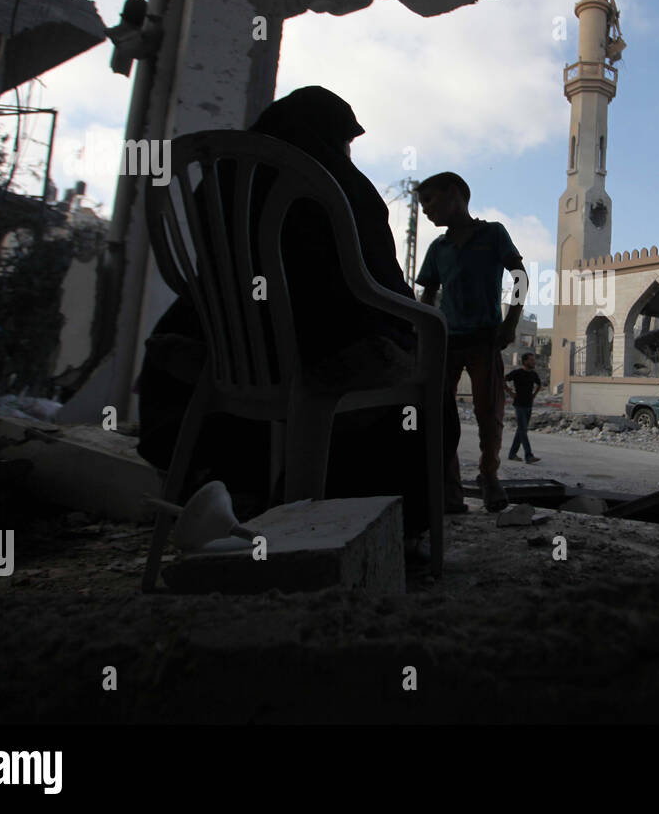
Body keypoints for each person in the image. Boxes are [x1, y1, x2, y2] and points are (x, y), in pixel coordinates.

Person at [136, 86, 432, 562]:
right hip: (325, 360)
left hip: (227, 360)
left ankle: (236, 489)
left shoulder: (217, 178)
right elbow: (380, 286)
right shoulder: (338, 183)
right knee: (424, 359)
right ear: (334, 137)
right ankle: (407, 527)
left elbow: (204, 276)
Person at [416, 171, 528, 514]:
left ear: (454, 194)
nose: (425, 212)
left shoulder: (493, 234)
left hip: (485, 339)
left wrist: (510, 322)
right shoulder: (438, 248)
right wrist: (424, 332)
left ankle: (488, 477)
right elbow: (428, 295)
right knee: (441, 414)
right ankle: (449, 488)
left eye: (429, 201)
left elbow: (519, 276)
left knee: (488, 412)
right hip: (447, 342)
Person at [506, 352, 543, 464]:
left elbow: (539, 384)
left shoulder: (533, 374)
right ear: (525, 361)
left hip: (528, 405)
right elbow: (503, 380)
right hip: (519, 404)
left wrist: (533, 395)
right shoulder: (517, 373)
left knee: (520, 430)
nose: (533, 362)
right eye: (531, 360)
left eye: (533, 360)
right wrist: (510, 392)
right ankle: (528, 455)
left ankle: (512, 454)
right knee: (523, 430)